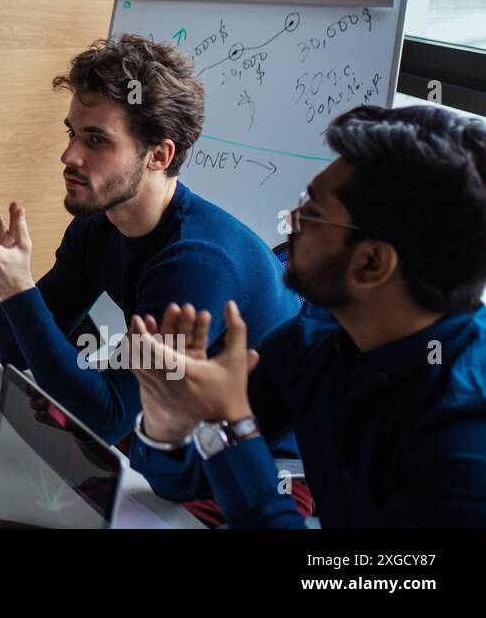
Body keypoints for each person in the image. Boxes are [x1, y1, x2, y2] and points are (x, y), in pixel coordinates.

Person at [128, 105, 486, 527]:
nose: (290, 222)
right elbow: (187, 482)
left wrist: (232, 423)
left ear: (372, 263)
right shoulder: (312, 341)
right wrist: (167, 423)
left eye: (311, 212)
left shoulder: (465, 433)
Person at [0, 36, 300, 452]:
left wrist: (16, 289)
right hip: (183, 441)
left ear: (159, 156)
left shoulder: (197, 263)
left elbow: (107, 419)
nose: (69, 155)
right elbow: (17, 354)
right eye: (72, 133)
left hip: (257, 467)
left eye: (96, 140)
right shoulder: (99, 226)